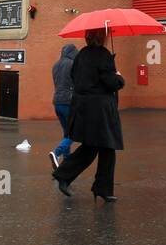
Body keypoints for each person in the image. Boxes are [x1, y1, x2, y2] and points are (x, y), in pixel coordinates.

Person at [51, 29, 123, 203]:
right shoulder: (103, 55)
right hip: (101, 110)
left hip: (83, 107)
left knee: (102, 147)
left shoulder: (81, 55)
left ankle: (101, 188)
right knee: (100, 146)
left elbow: (76, 77)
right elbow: (111, 82)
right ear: (102, 37)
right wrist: (118, 77)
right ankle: (71, 178)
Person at [49, 43, 77, 170]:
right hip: (69, 102)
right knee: (74, 133)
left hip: (57, 103)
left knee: (67, 133)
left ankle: (66, 163)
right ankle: (56, 152)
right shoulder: (72, 64)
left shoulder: (55, 65)